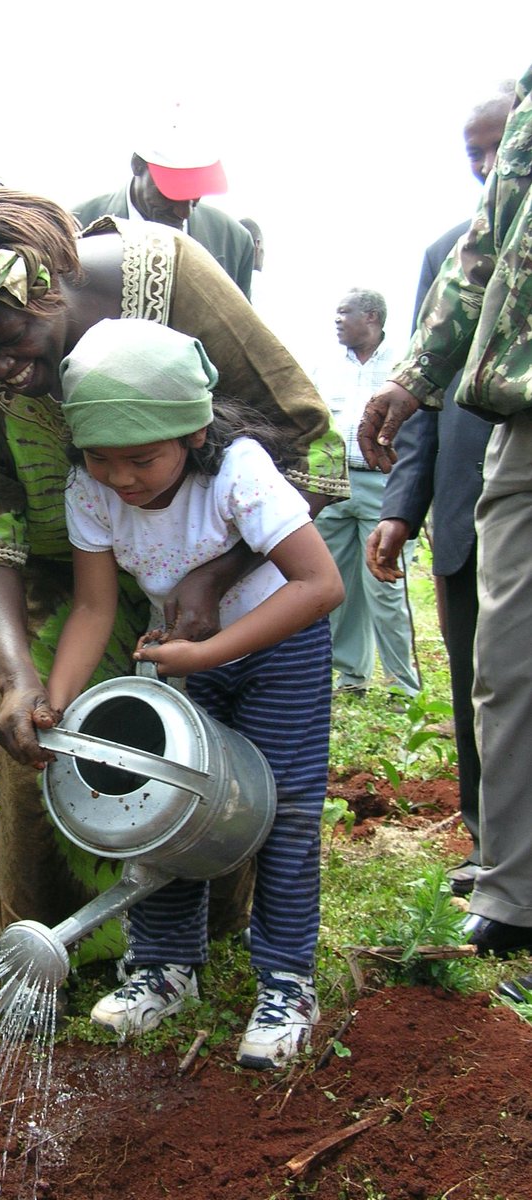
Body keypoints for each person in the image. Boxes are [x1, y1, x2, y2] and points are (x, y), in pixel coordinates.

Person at [0, 185, 347, 960]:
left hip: (223, 571)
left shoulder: (175, 284)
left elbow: (302, 446)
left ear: (52, 285)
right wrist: (17, 678)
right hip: (69, 566)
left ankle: (207, 940)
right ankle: (93, 955)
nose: (4, 369)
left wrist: (215, 573)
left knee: (207, 771)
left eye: (18, 344)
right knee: (61, 764)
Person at [47, 318, 342, 1063]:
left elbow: (319, 584)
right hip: (185, 655)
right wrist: (54, 700)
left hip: (279, 648)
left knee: (286, 808)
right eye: (101, 459)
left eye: (141, 460)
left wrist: (210, 655)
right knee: (169, 809)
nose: (120, 478)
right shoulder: (89, 489)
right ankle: (164, 968)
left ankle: (286, 984)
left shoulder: (239, 471)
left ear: (194, 433)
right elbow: (93, 606)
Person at [357, 68, 532, 982]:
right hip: (502, 455)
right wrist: (403, 505)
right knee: (499, 676)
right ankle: (511, 877)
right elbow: (431, 386)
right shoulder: (460, 248)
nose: (489, 166)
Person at [313, 289, 420, 696]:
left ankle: (402, 687)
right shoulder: (325, 367)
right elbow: (316, 426)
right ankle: (350, 676)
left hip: (386, 485)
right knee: (338, 585)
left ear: (371, 317)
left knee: (386, 587)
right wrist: (320, 486)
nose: (337, 320)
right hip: (337, 486)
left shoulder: (404, 364)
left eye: (345, 313)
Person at [73, 118, 255, 298]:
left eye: (195, 196)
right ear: (137, 165)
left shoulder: (234, 242)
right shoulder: (76, 227)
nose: (184, 213)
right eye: (173, 193)